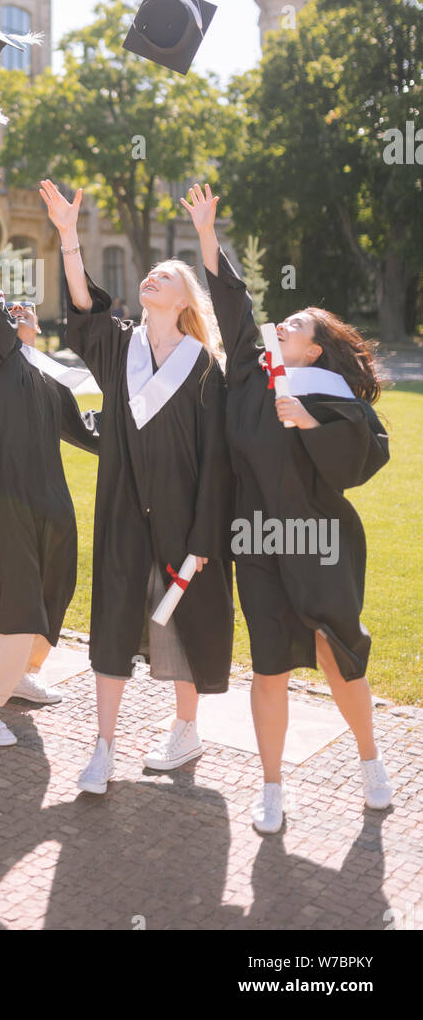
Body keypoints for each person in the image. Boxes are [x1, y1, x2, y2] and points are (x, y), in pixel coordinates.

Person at [181, 182, 393, 831]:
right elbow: (233, 302)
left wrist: (309, 424)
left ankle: (369, 760)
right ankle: (271, 787)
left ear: (315, 349)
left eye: (295, 324)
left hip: (321, 540)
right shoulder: (249, 373)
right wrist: (207, 234)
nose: (282, 325)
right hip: (258, 543)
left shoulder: (330, 397)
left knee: (337, 655)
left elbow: (366, 454)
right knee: (269, 662)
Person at [40, 179, 234, 794]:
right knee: (115, 618)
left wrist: (205, 535)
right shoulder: (119, 345)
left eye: (166, 277)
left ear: (185, 301)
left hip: (183, 514)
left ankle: (185, 728)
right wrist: (69, 237)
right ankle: (103, 747)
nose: (151, 278)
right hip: (123, 507)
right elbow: (84, 308)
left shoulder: (204, 368)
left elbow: (216, 459)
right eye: (149, 273)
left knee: (180, 623)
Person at [0, 169, 100, 747]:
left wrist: (147, 418)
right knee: (18, 597)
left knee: (52, 591)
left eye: (23, 308)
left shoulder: (48, 376)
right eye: (9, 309)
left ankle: (21, 677)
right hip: (1, 500)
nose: (18, 309)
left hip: (48, 502)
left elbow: (89, 432)